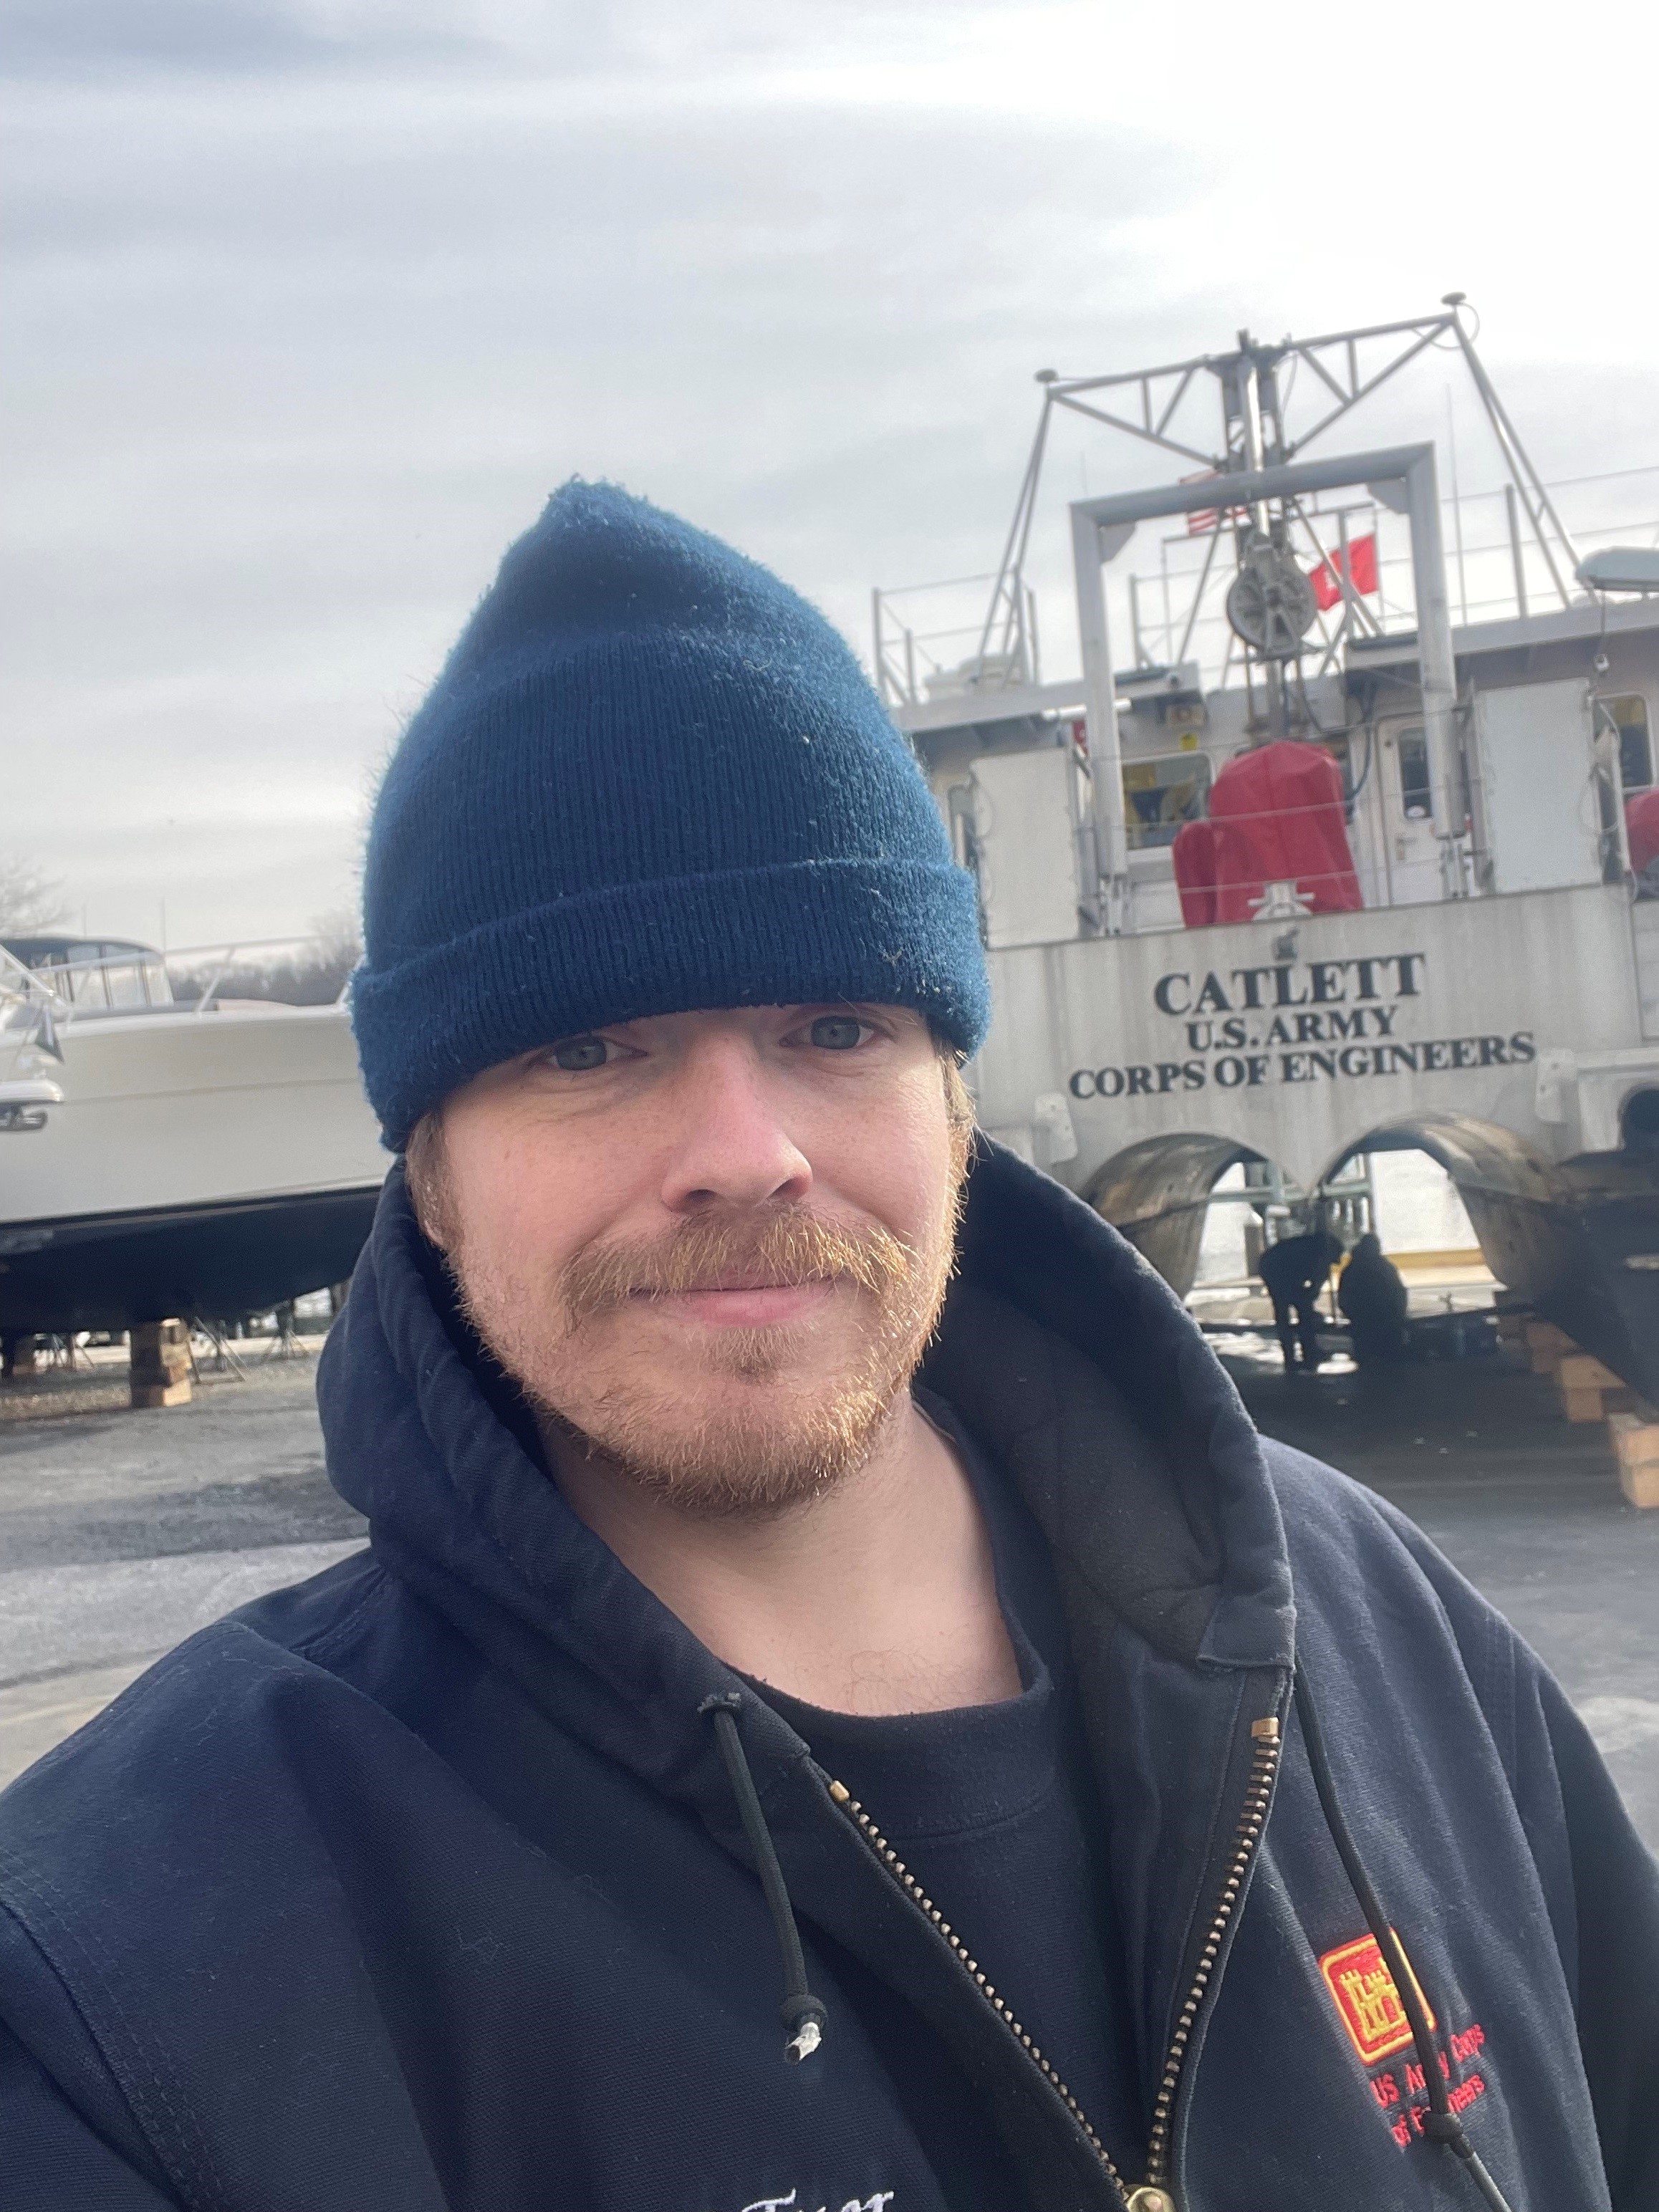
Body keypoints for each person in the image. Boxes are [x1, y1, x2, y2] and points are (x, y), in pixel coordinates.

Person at [0, 484, 1653, 2212]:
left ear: (949, 1105)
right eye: (588, 1048)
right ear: (423, 1176)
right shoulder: (128, 1996)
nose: (745, 1147)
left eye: (833, 1024)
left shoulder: (1383, 1640)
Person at [1256, 1223, 1341, 1373]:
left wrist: (1309, 1296)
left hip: (1275, 1266)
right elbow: (1314, 1285)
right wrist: (1308, 1298)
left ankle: (1306, 1352)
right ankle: (1299, 1354)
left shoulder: (1315, 1251)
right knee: (1291, 1313)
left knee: (1296, 1312)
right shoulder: (1317, 1255)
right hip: (1276, 1269)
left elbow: (1314, 1286)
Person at [1339, 1231, 1410, 1366]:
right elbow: (1399, 1292)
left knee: (1366, 1366)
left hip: (1362, 1324)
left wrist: (1353, 1316)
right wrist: (1399, 1315)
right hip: (1387, 1322)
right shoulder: (1385, 1268)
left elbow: (1344, 1298)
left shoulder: (1351, 1270)